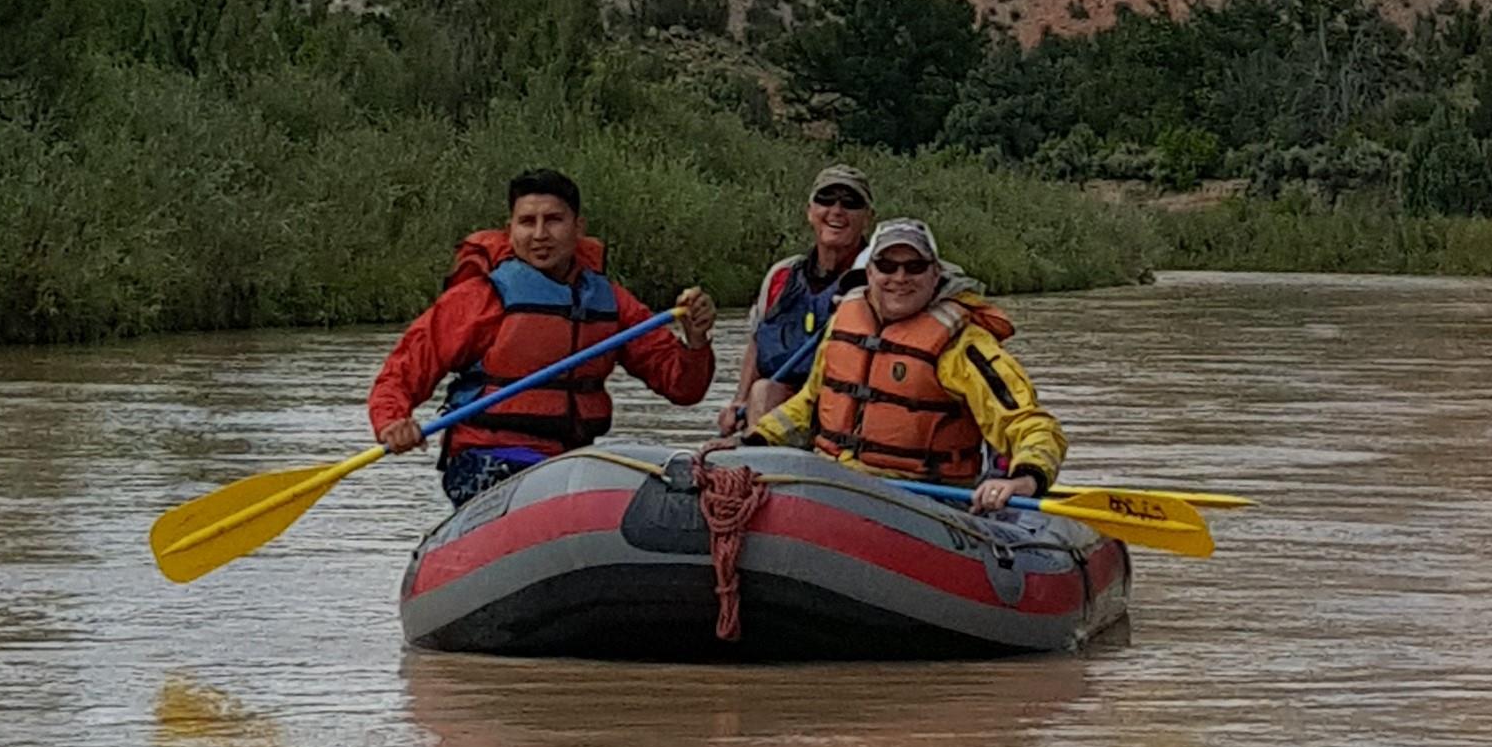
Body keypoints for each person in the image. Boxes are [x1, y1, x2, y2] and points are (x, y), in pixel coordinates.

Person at [369, 172, 715, 502]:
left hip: (571, 460)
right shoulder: (478, 298)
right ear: (510, 230)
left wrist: (697, 341)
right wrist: (393, 423)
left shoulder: (611, 301)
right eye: (527, 222)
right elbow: (402, 372)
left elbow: (684, 388)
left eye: (553, 220)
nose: (539, 234)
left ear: (578, 227)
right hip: (487, 459)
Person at [751, 212, 1063, 517]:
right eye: (887, 266)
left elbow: (1030, 423)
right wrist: (754, 440)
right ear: (870, 273)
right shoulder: (842, 323)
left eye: (914, 267)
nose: (900, 278)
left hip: (923, 499)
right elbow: (807, 405)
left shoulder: (963, 345)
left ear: (935, 274)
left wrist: (1026, 478)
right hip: (836, 483)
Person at [716, 163, 875, 434]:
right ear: (810, 212)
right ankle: (759, 449)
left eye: (850, 203)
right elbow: (758, 341)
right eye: (826, 200)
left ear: (868, 217)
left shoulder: (883, 278)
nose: (837, 211)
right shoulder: (782, 274)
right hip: (781, 404)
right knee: (762, 391)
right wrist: (739, 401)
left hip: (848, 409)